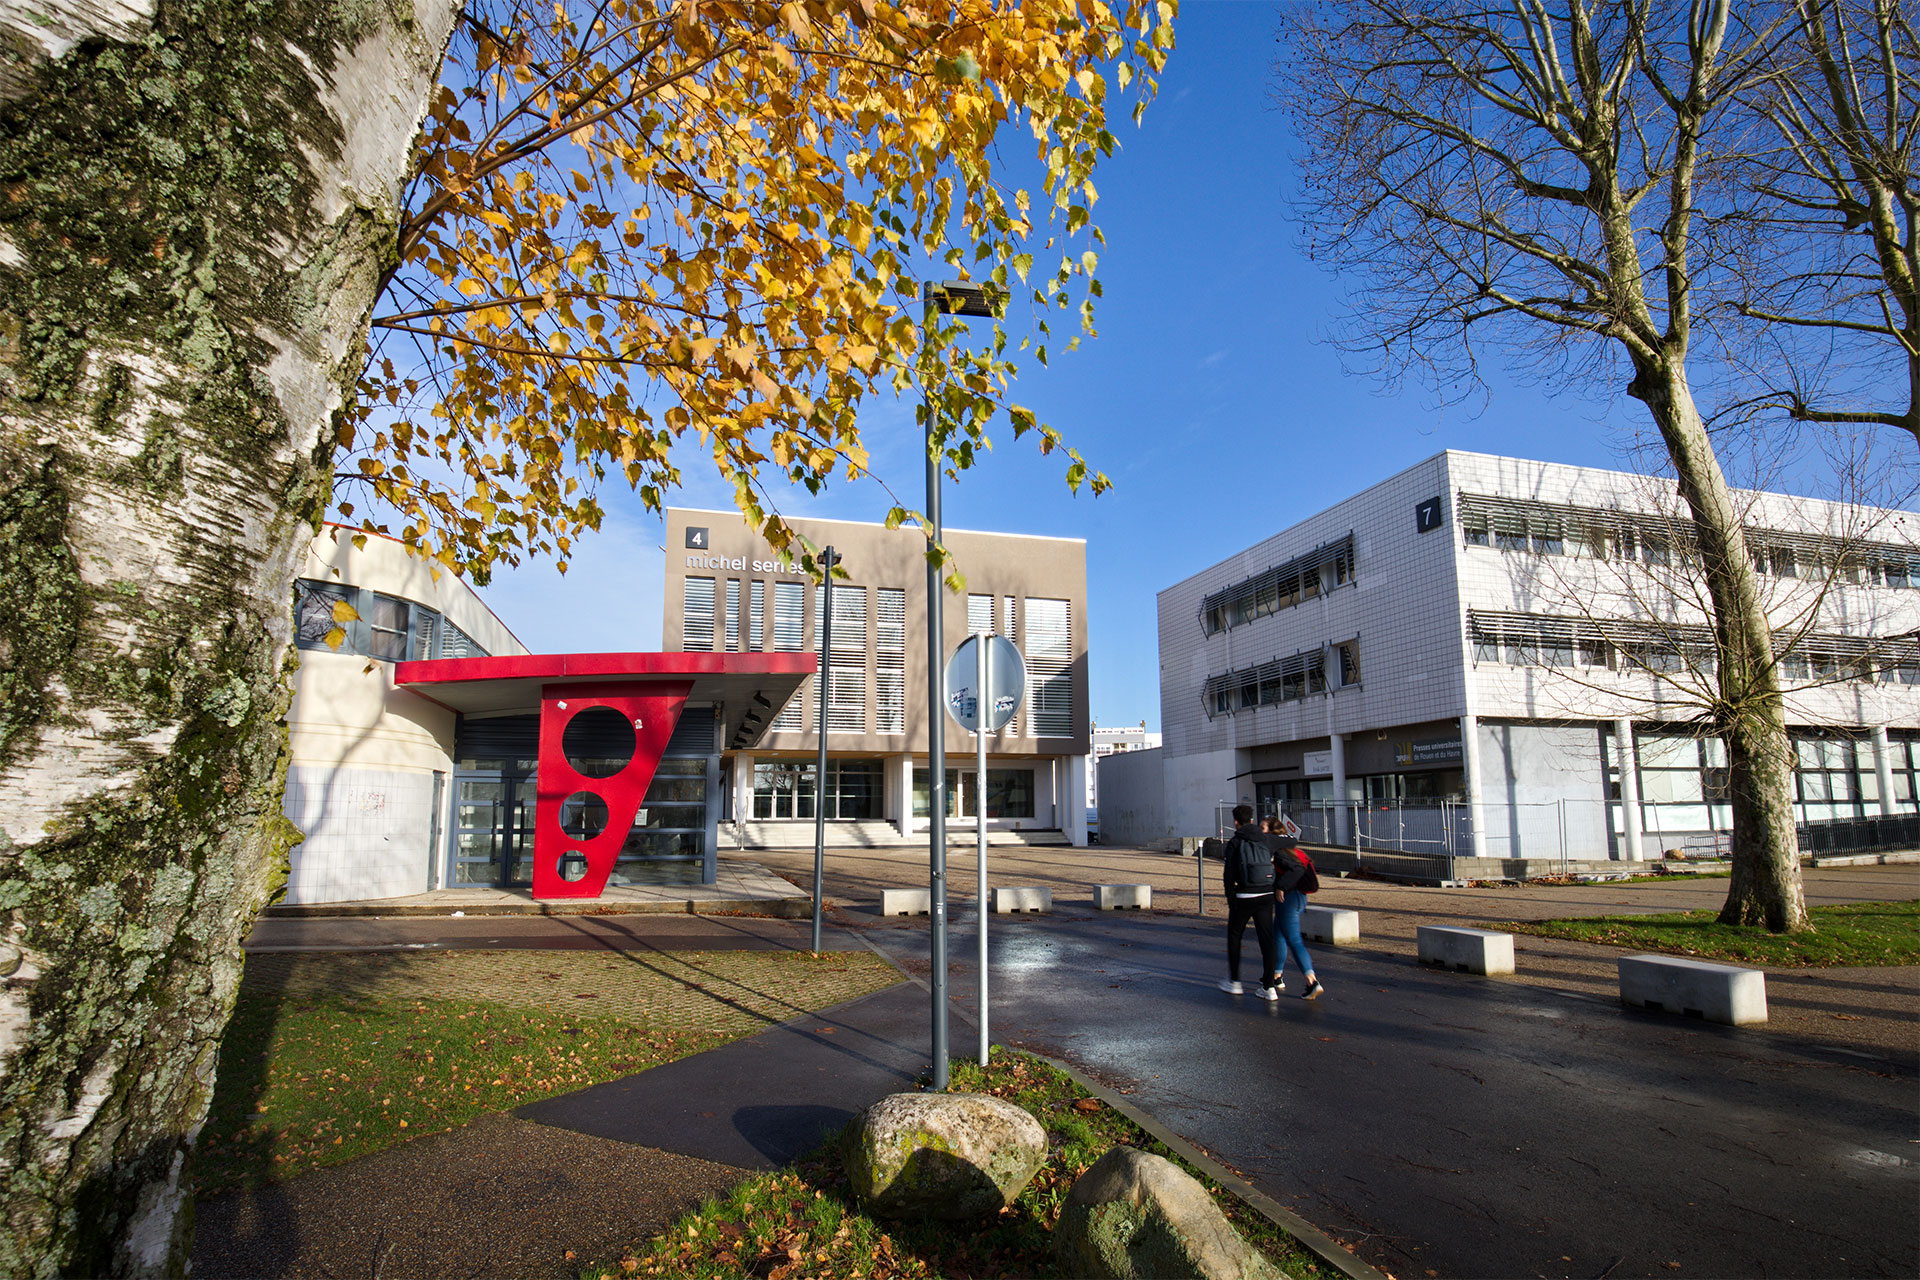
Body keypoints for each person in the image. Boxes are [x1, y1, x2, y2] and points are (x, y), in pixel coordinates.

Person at [1218, 804, 1280, 1000]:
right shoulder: (1265, 838)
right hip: (1266, 893)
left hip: (1244, 894)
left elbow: (1229, 875)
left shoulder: (1235, 842)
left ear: (1236, 822)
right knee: (1266, 939)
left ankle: (1235, 981)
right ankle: (1269, 986)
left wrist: (1230, 898)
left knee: (1235, 935)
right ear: (1252, 819)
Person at [1270, 831, 1325, 999]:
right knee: (1278, 935)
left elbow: (1295, 870)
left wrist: (1280, 886)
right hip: (1300, 897)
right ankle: (1276, 976)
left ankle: (1312, 981)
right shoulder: (1295, 853)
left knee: (1294, 941)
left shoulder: (1280, 854)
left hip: (1289, 898)